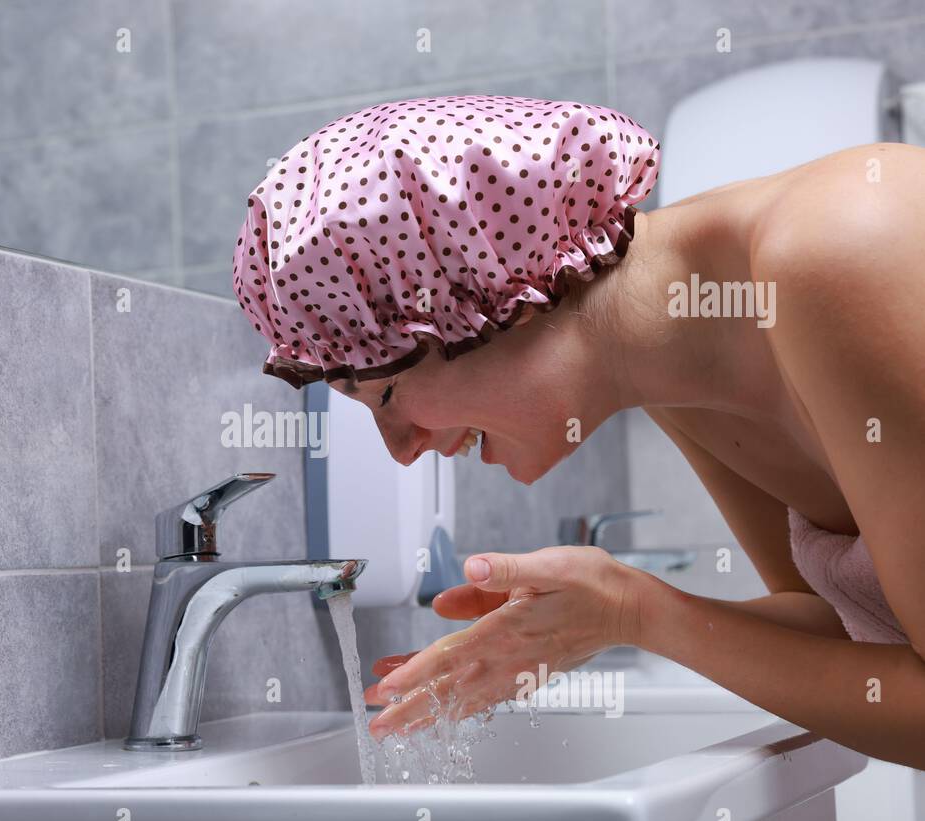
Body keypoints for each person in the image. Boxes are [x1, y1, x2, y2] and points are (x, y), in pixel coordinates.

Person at [231, 94, 925, 770]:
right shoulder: (676, 363)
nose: (403, 449)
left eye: (384, 394)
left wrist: (639, 611)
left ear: (496, 296)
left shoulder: (843, 247)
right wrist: (590, 619)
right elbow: (836, 631)